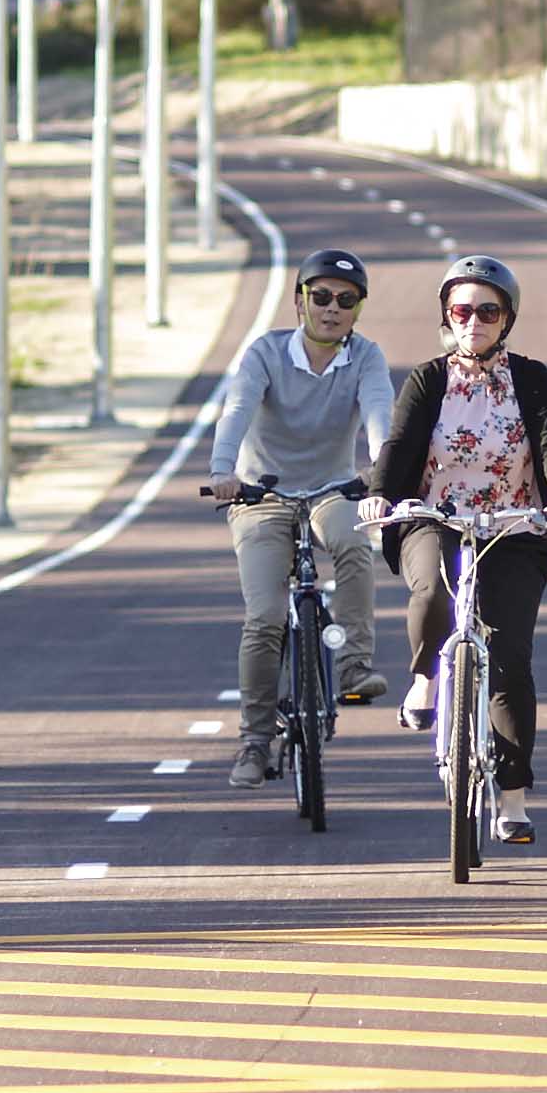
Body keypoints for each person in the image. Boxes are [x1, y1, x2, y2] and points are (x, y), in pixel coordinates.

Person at [362, 252, 547, 846]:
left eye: (489, 310)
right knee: (431, 588)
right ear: (447, 315)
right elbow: (400, 443)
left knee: (511, 659)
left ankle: (511, 799)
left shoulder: (533, 377)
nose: (474, 321)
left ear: (507, 318)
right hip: (436, 516)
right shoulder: (428, 378)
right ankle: (425, 681)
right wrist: (382, 496)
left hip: (513, 525)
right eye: (462, 310)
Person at [202, 249, 394, 788]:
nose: (332, 308)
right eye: (321, 296)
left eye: (346, 300)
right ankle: (255, 740)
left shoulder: (366, 357)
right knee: (264, 617)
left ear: (357, 309)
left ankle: (355, 666)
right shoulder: (265, 352)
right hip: (260, 494)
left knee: (356, 544)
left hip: (333, 489)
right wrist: (223, 471)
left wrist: (383, 469)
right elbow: (237, 409)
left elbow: (381, 414)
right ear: (299, 300)